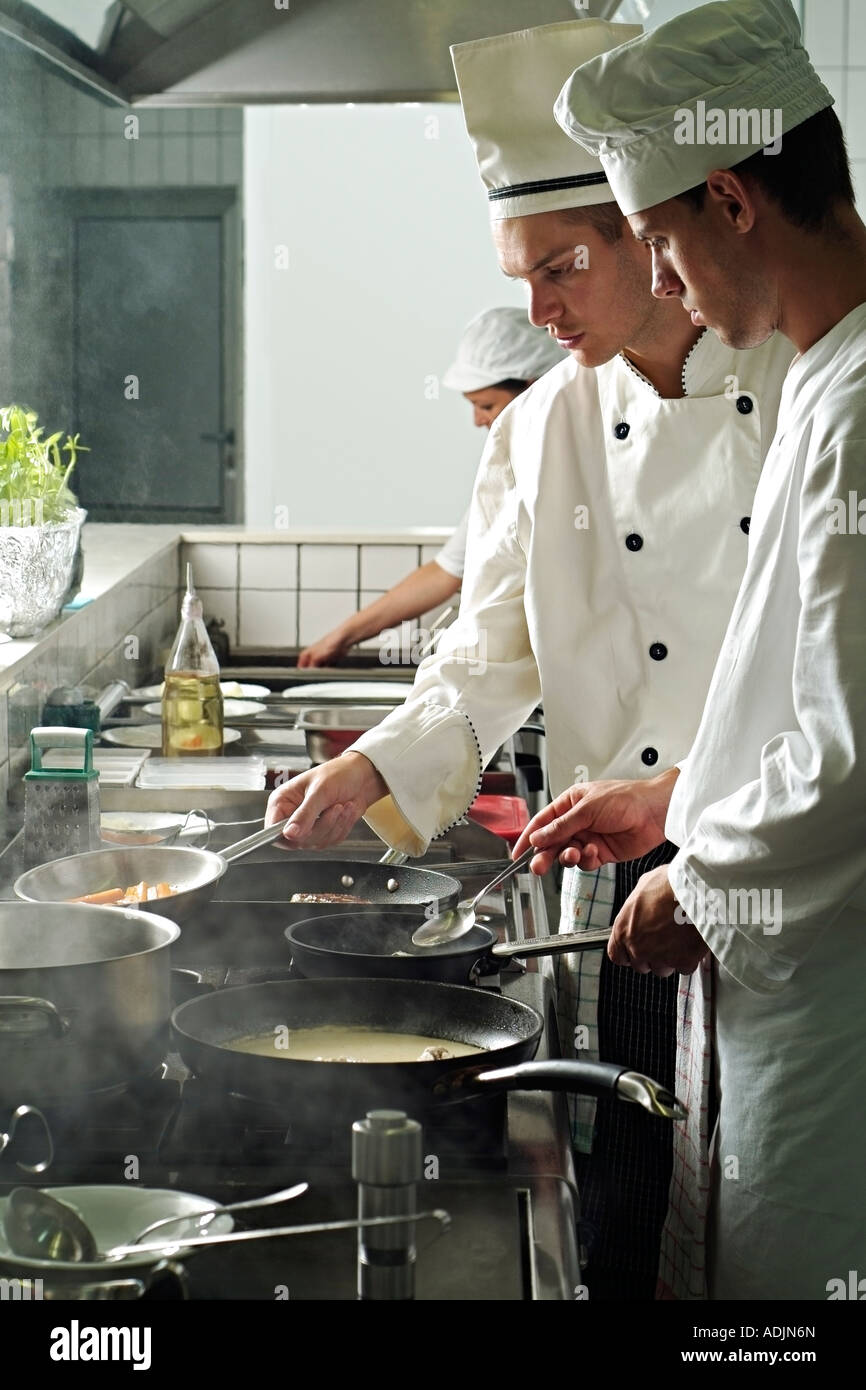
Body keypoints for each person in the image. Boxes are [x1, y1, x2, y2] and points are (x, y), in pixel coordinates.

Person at [265, 18, 794, 1299]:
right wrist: (374, 764)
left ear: (648, 238)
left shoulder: (799, 379)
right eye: (520, 281)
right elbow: (484, 649)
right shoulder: (545, 427)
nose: (538, 313)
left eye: (561, 268)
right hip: (623, 866)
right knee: (629, 1187)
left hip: (788, 851)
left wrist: (713, 818)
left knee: (770, 1209)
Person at [517, 0, 866, 1300]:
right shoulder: (826, 378)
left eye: (654, 241)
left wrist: (701, 876)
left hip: (831, 1006)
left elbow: (849, 750)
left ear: (729, 198)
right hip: (795, 980)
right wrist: (674, 802)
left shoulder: (854, 410)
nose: (653, 284)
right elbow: (812, 693)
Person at [297, 308, 562, 667]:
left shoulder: (586, 455)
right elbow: (446, 571)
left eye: (486, 405)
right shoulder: (511, 471)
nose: (477, 420)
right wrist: (342, 637)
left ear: (533, 391)